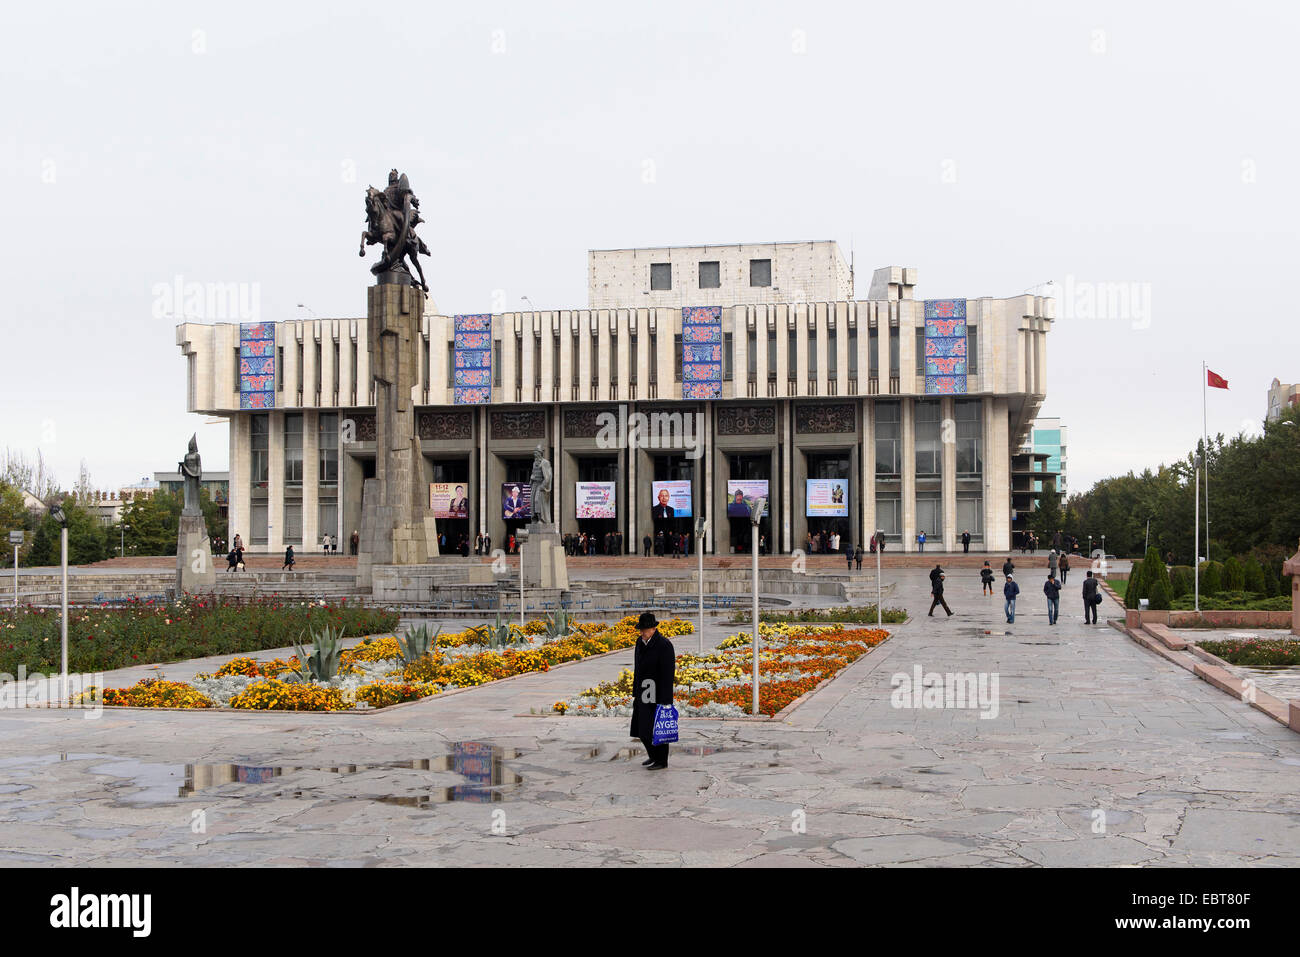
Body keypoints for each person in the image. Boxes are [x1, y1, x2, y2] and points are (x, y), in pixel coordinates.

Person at [629, 612, 675, 771]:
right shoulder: (640, 642)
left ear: (654, 628)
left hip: (658, 694)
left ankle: (661, 760)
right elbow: (637, 668)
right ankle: (652, 755)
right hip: (643, 692)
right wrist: (635, 691)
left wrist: (666, 699)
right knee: (642, 729)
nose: (643, 632)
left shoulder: (664, 644)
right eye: (641, 629)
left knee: (659, 728)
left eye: (646, 629)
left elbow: (668, 674)